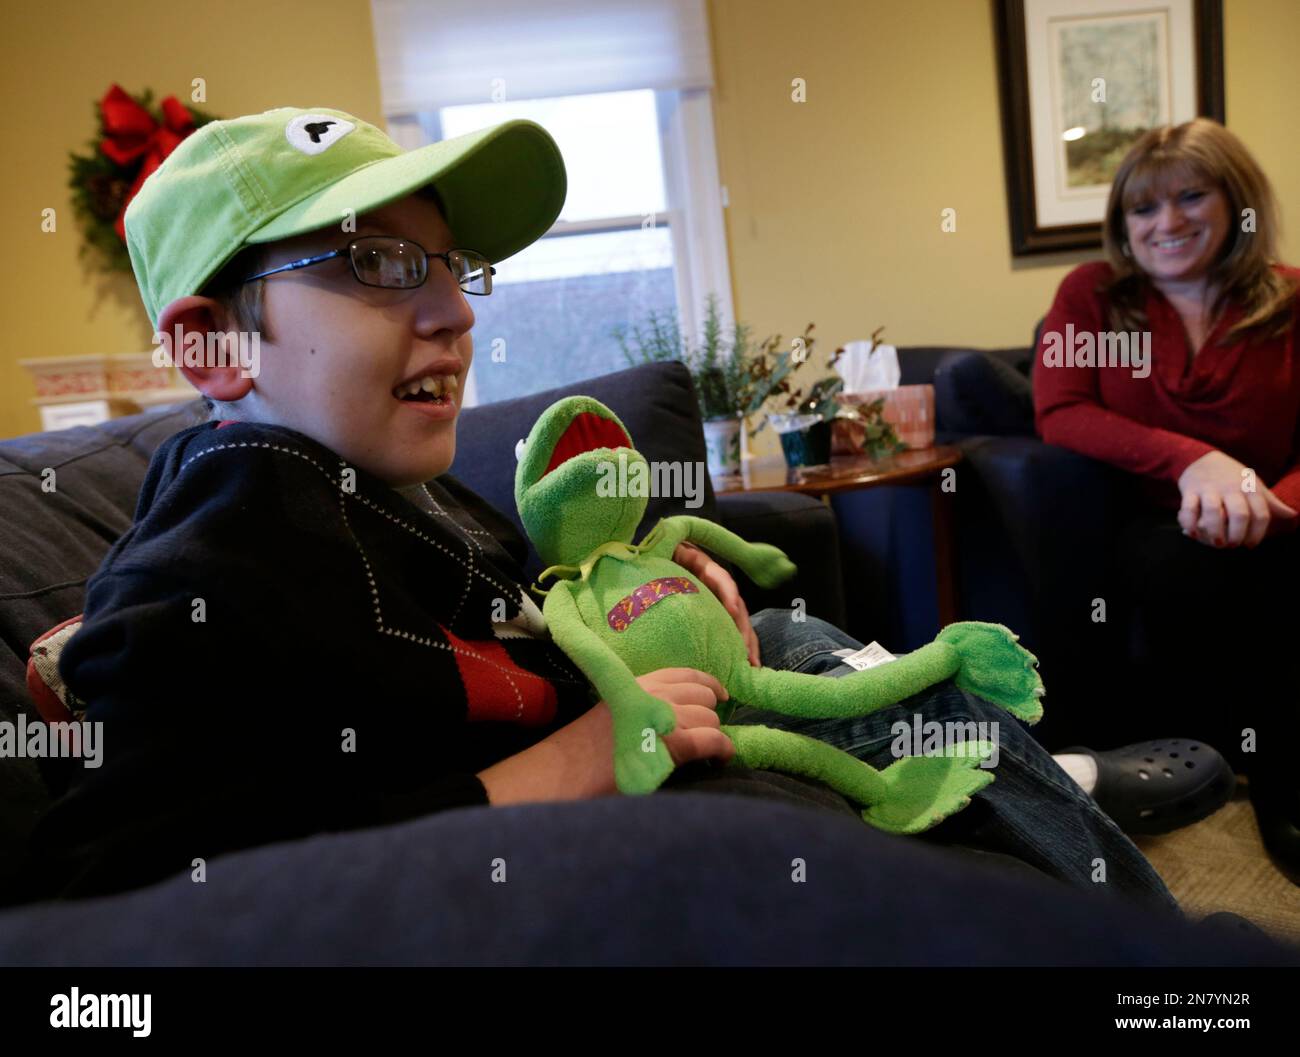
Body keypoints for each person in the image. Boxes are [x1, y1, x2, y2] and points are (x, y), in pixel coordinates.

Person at [23, 107, 1176, 915]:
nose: (451, 312)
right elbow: (110, 896)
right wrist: (555, 767)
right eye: (377, 264)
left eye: (449, 265)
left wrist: (640, 598)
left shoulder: (379, 485)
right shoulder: (231, 526)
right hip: (584, 833)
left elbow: (508, 620)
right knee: (829, 693)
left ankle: (1046, 787)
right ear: (214, 343)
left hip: (634, 725)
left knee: (794, 641)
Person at [1034, 117, 1300, 881]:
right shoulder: (1093, 295)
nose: (1168, 221)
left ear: (1237, 202)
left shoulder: (1291, 302)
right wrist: (1198, 462)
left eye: (1191, 196)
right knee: (1192, 565)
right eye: (1144, 209)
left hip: (1280, 522)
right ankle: (1272, 776)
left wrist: (1269, 503)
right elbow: (1061, 410)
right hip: (1154, 525)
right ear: (1124, 224)